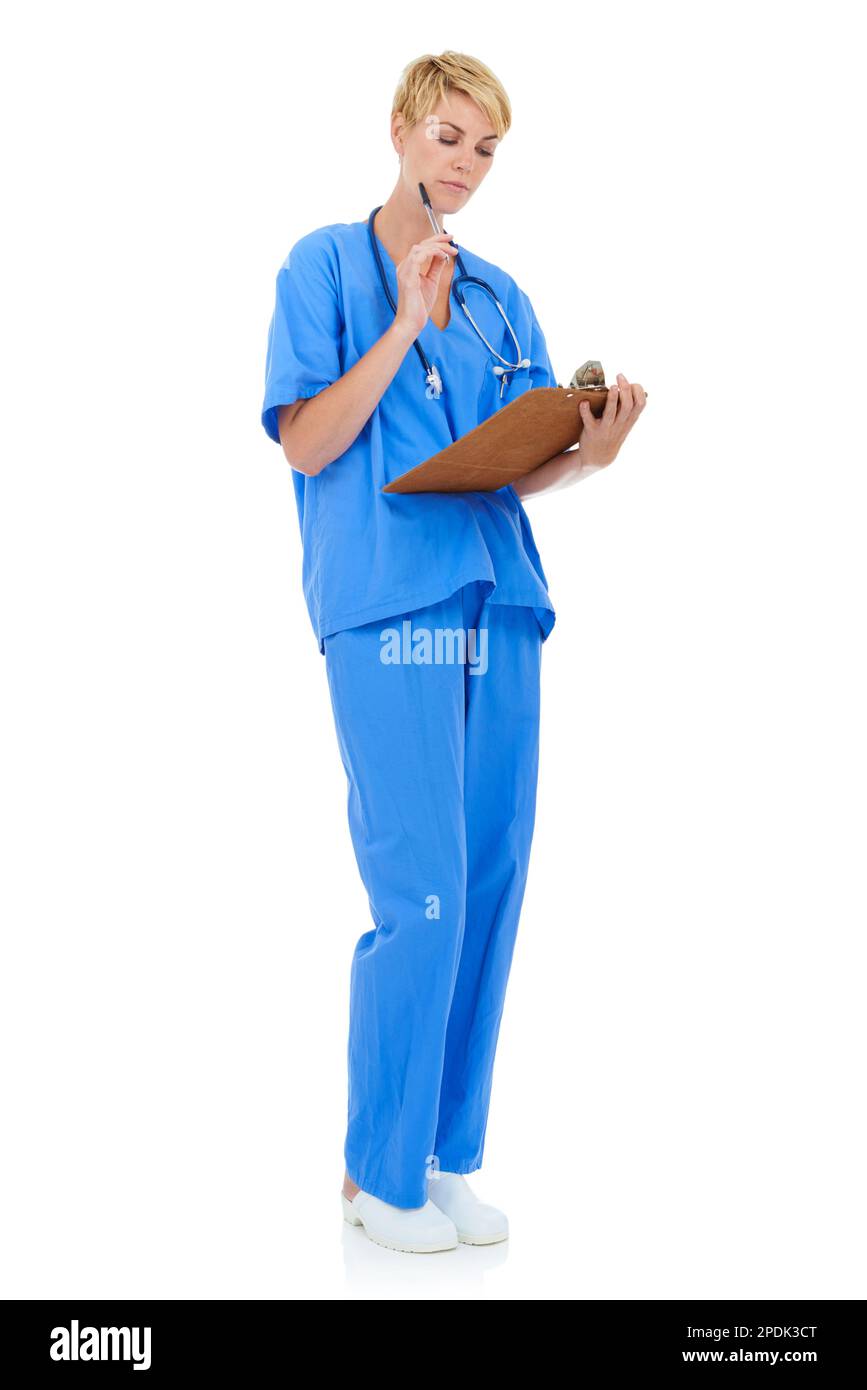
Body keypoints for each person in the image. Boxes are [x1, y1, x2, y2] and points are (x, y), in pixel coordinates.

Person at [261, 51, 646, 1255]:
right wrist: (405, 324)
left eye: (487, 148)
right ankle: (375, 1173)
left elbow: (511, 456)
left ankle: (441, 1155)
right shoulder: (324, 265)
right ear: (400, 128)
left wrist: (587, 454)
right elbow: (311, 441)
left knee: (488, 884)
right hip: (389, 603)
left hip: (499, 598)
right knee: (421, 883)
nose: (467, 164)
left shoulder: (501, 296)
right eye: (450, 136)